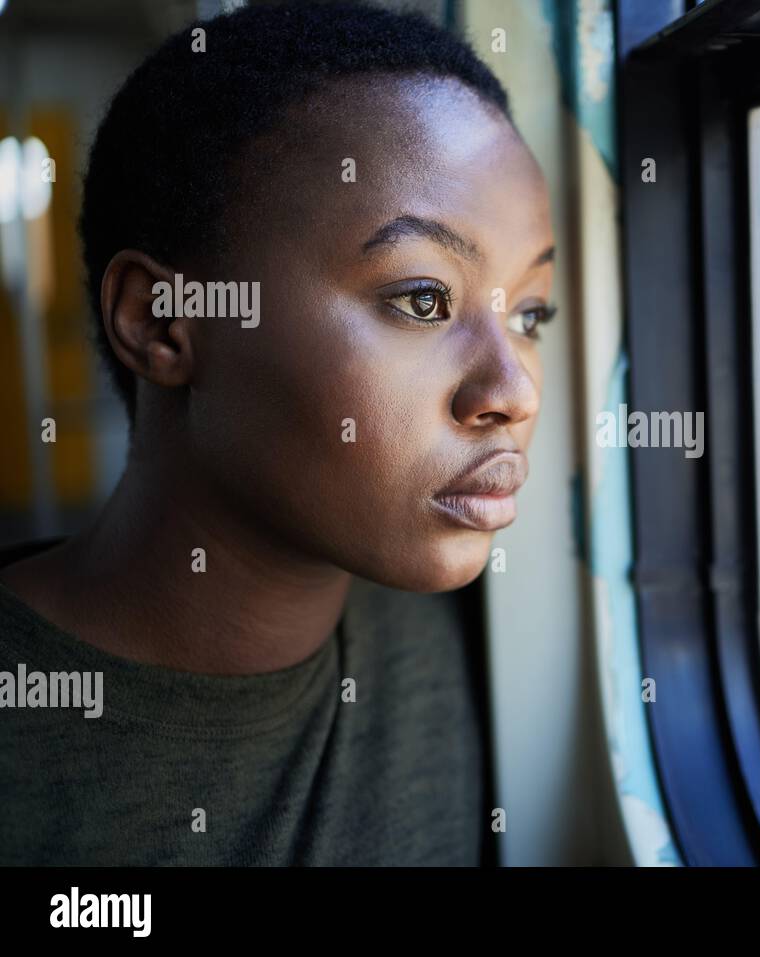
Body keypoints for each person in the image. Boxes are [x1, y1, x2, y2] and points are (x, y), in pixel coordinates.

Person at [0, 1, 556, 865]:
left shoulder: (471, 628)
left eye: (531, 313)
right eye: (421, 298)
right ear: (164, 321)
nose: (513, 391)